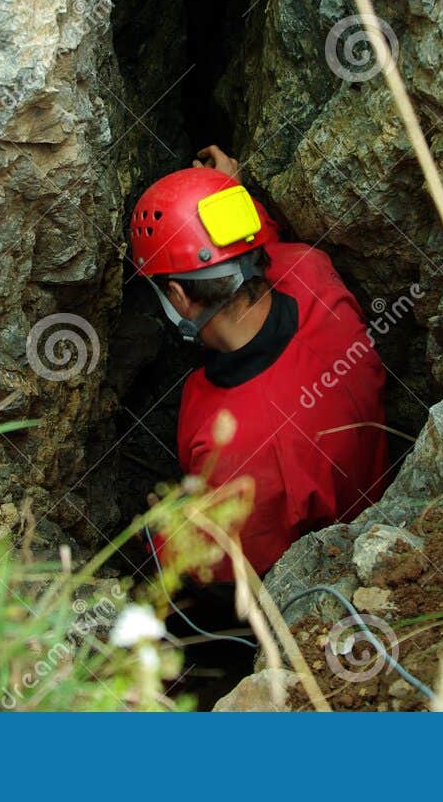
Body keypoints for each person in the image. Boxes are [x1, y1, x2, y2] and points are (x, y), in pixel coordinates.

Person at [128, 145, 387, 581]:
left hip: (315, 567)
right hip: (369, 480)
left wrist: (162, 536)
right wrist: (224, 192)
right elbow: (265, 250)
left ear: (176, 296)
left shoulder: (237, 451)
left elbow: (223, 571)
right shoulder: (312, 273)